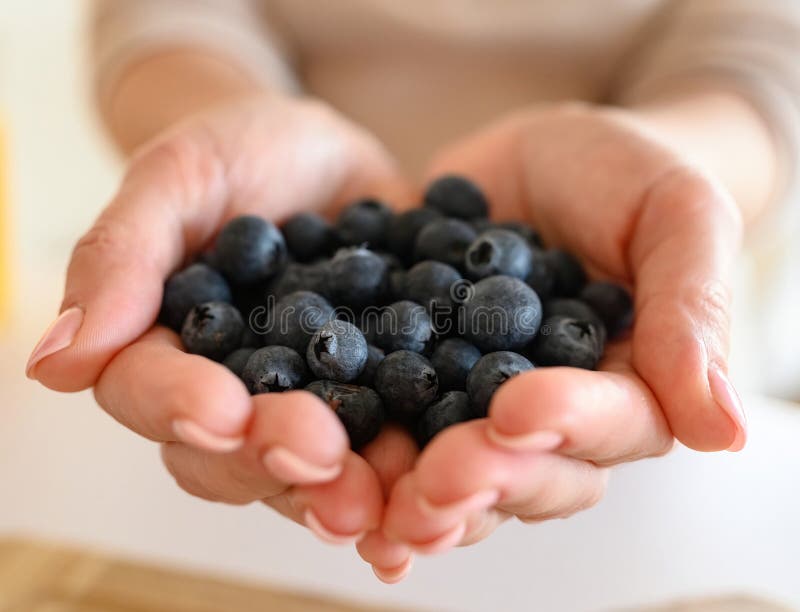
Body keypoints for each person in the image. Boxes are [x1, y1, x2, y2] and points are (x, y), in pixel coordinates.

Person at [24, 0, 799, 583]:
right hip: (242, 491)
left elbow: (763, 40)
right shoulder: (316, 305)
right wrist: (218, 115)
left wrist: (676, 160)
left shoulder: (521, 311)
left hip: (648, 461)